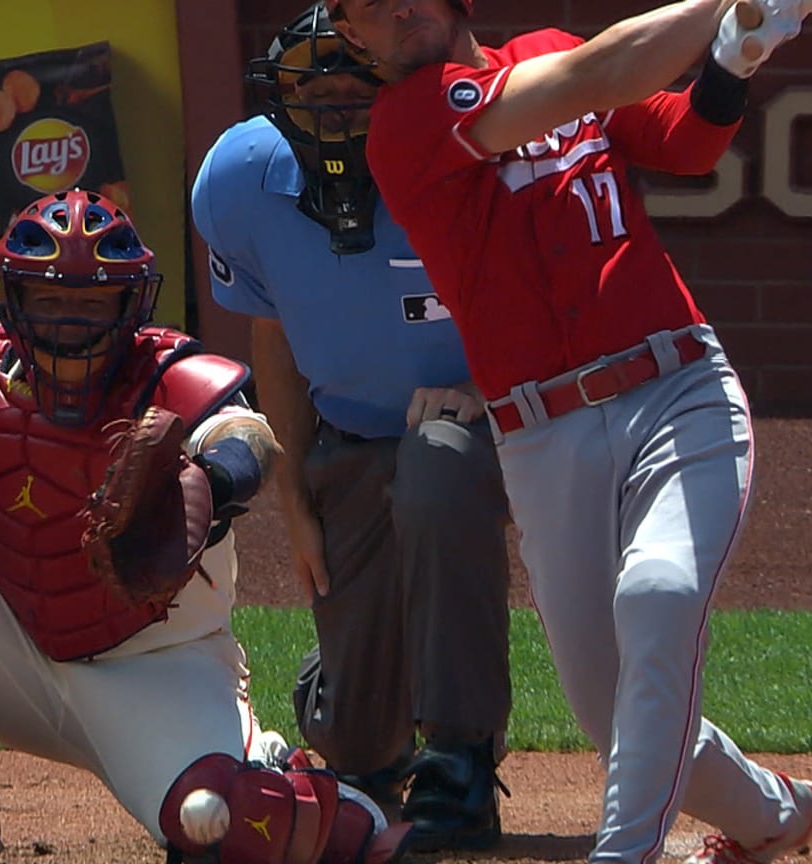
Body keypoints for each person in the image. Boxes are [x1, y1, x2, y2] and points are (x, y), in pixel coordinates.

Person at [325, 0, 812, 861]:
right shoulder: (406, 121)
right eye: (366, 9)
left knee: (660, 594)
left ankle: (623, 852)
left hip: (675, 387)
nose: (393, 10)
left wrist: (733, 58)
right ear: (354, 39)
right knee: (618, 721)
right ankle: (775, 816)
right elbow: (597, 75)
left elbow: (686, 139)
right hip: (540, 437)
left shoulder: (544, 49)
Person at [0, 188, 433, 864]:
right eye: (51, 301)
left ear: (132, 306)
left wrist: (209, 482)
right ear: (11, 300)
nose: (70, 323)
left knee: (231, 827)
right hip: (11, 658)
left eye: (92, 304)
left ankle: (282, 775)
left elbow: (249, 436)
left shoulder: (169, 373)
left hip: (154, 671)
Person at [191, 1, 513, 852]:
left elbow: (550, 284)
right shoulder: (236, 179)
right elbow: (275, 333)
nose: (334, 107)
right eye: (313, 90)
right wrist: (294, 499)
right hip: (349, 442)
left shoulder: (471, 148)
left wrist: (487, 384)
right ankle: (335, 695)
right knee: (359, 749)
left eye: (353, 86)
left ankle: (461, 758)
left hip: (497, 425)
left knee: (438, 463)